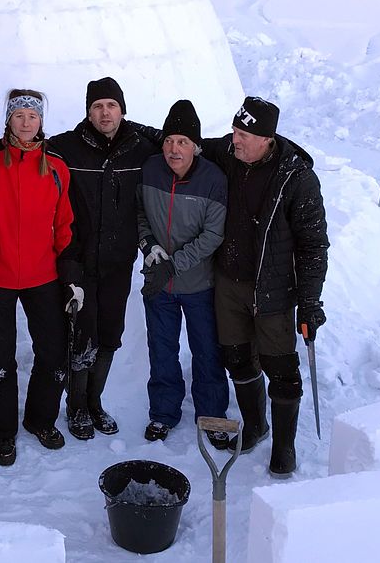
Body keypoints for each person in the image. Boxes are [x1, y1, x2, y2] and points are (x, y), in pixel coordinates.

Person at [202, 96, 330, 478]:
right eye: (234, 131)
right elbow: (185, 140)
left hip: (273, 290)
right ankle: (256, 427)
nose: (234, 140)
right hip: (229, 283)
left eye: (242, 135)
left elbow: (313, 245)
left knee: (281, 369)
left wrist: (310, 302)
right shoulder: (228, 154)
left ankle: (284, 447)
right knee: (237, 357)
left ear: (265, 138)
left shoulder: (297, 178)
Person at [47, 76, 160, 440]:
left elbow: (182, 142)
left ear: (123, 110)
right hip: (80, 261)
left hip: (118, 262)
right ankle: (76, 406)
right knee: (83, 335)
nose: (105, 112)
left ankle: (94, 402)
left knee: (110, 334)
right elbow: (21, 147)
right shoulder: (66, 147)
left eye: (112, 105)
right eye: (97, 106)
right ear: (88, 112)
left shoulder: (141, 149)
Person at [0, 89, 75, 466]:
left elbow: (64, 222)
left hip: (42, 274)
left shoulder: (56, 167)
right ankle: (3, 432)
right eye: (19, 115)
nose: (26, 122)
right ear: (8, 120)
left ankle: (41, 419)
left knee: (53, 352)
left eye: (32, 116)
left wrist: (69, 269)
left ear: (41, 122)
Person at [135, 100, 230, 449]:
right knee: (161, 351)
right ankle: (163, 413)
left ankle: (213, 416)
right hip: (158, 285)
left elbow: (213, 235)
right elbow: (140, 215)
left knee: (207, 353)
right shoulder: (150, 170)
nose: (174, 149)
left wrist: (174, 264)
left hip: (200, 285)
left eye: (183, 142)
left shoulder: (213, 180)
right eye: (169, 141)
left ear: (196, 147)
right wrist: (149, 247)